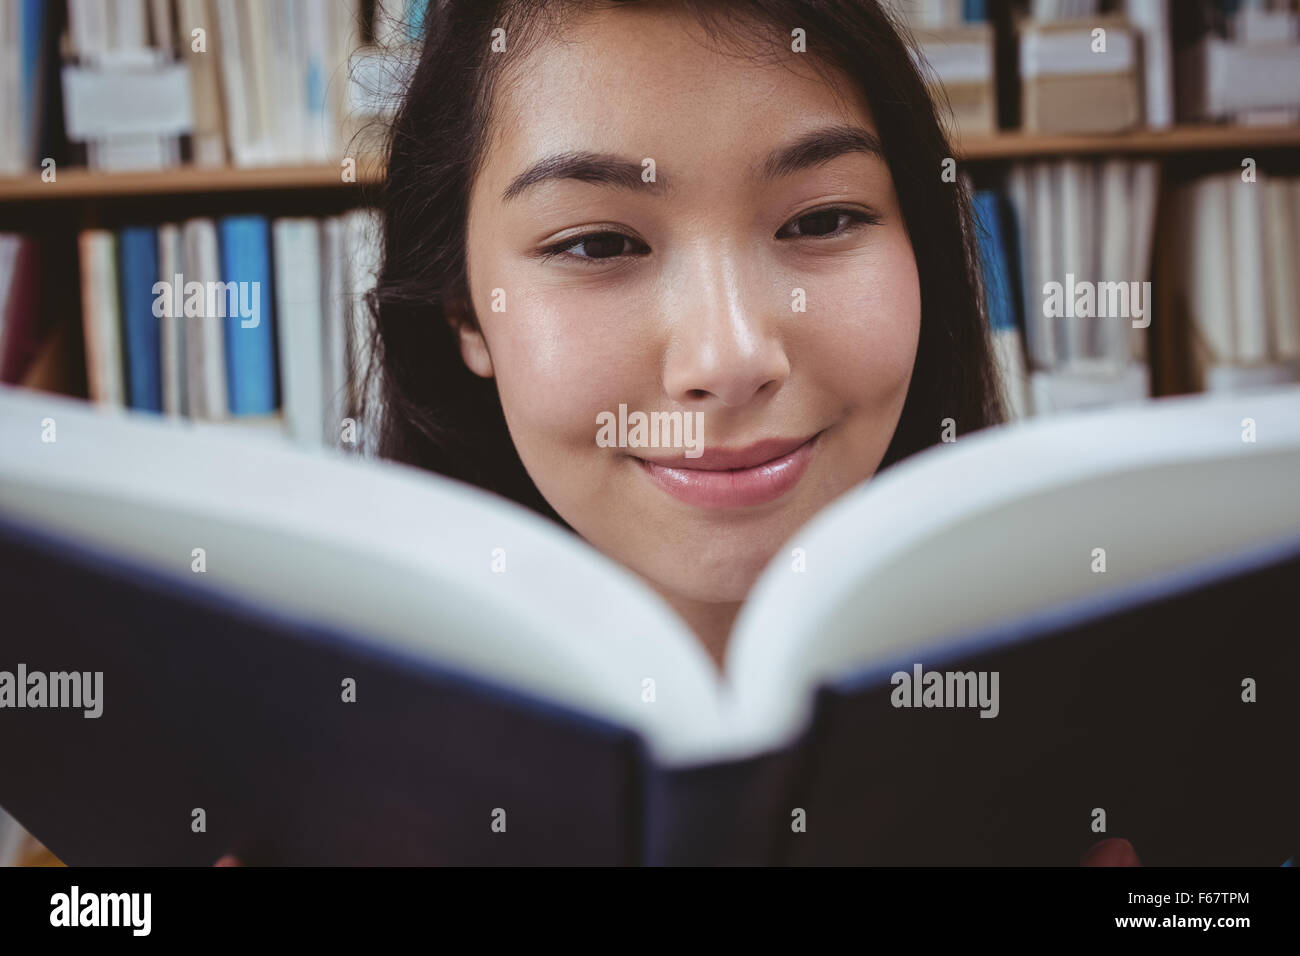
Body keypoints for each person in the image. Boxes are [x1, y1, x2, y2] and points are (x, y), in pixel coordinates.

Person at [222, 0, 1136, 867]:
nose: (731, 357)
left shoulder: (1124, 725)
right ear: (466, 311)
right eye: (598, 245)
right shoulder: (306, 781)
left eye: (822, 219)